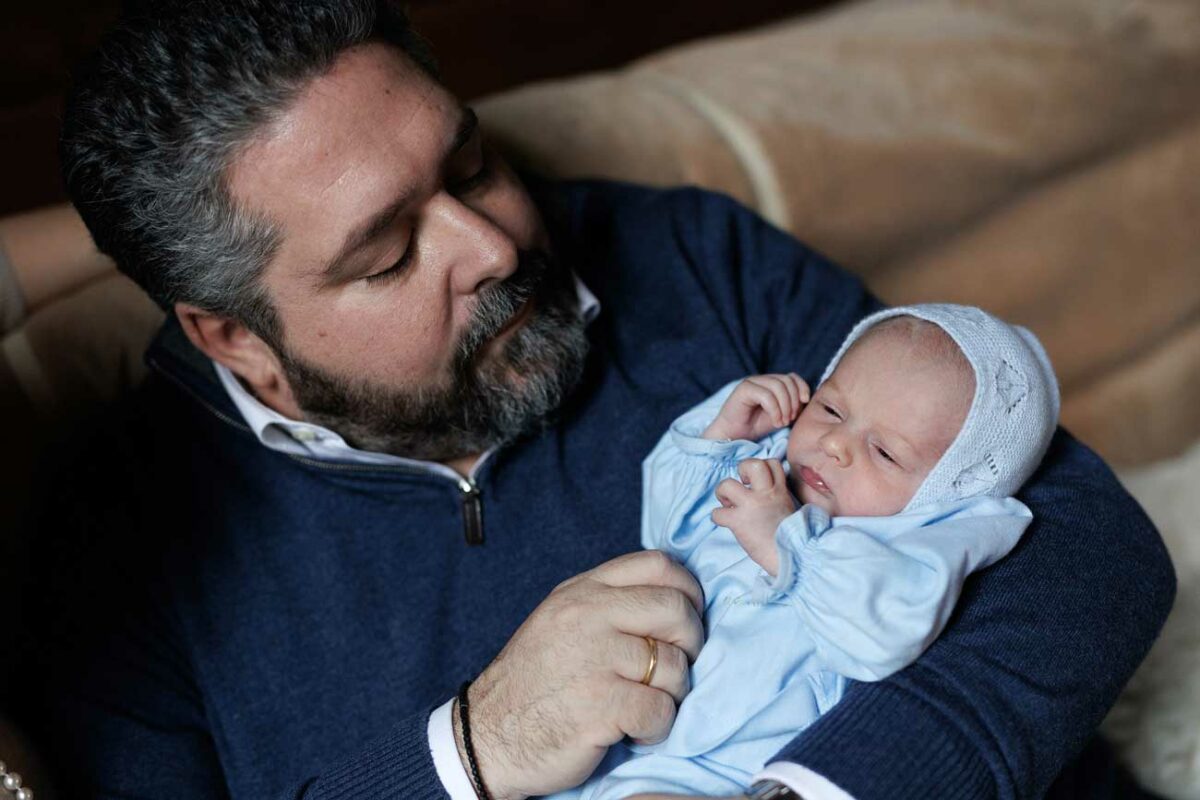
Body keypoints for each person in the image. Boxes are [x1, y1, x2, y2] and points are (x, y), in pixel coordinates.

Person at [15, 2, 1174, 800]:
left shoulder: (689, 259)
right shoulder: (121, 547)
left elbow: (1089, 547)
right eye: (386, 254)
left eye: (470, 165)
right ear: (234, 337)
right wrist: (467, 753)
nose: (491, 245)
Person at [563, 305, 1059, 799]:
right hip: (610, 737)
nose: (835, 443)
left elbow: (881, 634)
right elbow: (665, 531)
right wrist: (723, 436)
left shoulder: (901, 557)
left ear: (943, 496)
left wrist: (788, 542)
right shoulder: (766, 471)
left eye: (884, 452)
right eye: (830, 410)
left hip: (713, 774)